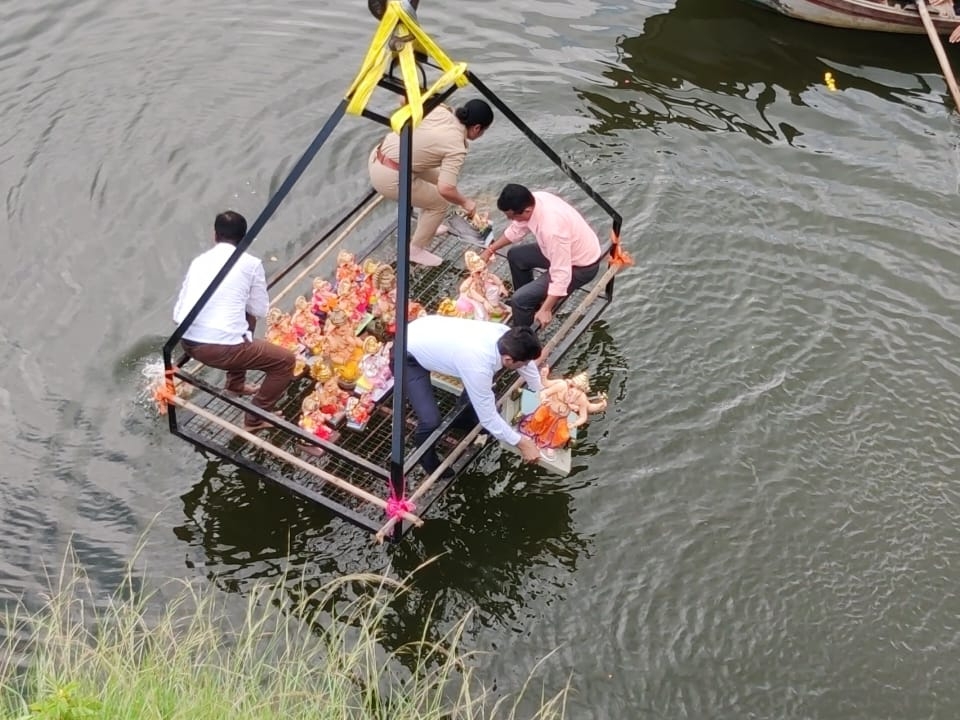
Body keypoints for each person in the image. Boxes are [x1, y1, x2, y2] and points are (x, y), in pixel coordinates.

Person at [173, 211, 296, 433]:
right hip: (221, 350)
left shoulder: (198, 262)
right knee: (285, 362)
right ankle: (255, 416)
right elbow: (259, 309)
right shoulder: (250, 264)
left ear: (214, 235)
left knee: (239, 319)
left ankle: (235, 384)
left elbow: (178, 312)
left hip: (188, 341)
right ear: (244, 239)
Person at [405, 315, 544, 474]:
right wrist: (522, 443)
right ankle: (429, 464)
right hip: (408, 354)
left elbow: (527, 365)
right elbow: (489, 418)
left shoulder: (507, 335)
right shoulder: (478, 366)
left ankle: (462, 421)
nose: (526, 366)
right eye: (523, 363)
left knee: (479, 393)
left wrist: (540, 391)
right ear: (508, 359)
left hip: (430, 333)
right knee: (431, 421)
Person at [368, 98, 494, 267]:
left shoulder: (441, 110)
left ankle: (428, 227)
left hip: (380, 155)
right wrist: (467, 203)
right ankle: (415, 250)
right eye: (483, 131)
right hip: (389, 176)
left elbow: (404, 99)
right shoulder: (457, 146)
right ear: (477, 128)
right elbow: (446, 189)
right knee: (441, 202)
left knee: (439, 181)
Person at [480, 184, 603, 329]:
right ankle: (528, 306)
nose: (509, 219)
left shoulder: (551, 230)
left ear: (526, 211)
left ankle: (521, 336)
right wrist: (490, 250)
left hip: (579, 266)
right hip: (565, 250)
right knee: (516, 255)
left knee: (519, 299)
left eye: (511, 216)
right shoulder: (536, 199)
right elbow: (516, 229)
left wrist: (546, 309)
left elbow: (562, 272)